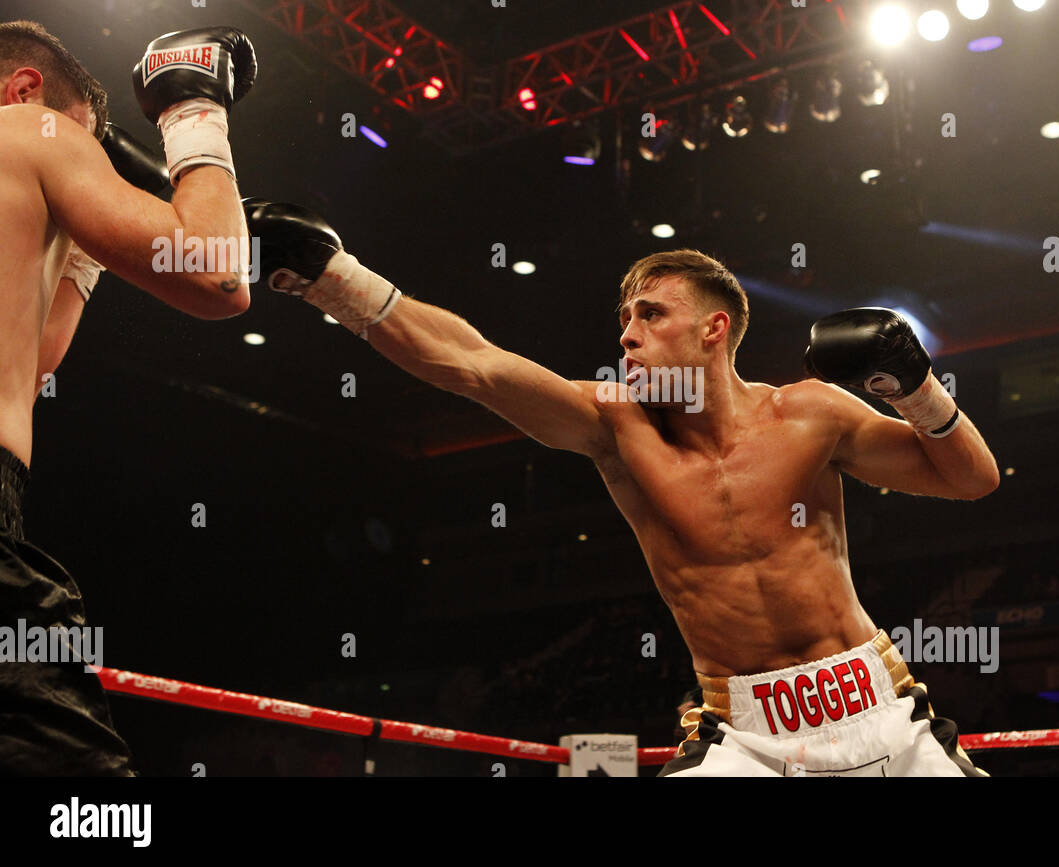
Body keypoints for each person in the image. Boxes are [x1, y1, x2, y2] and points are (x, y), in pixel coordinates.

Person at [242, 203, 999, 777]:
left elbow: (972, 479)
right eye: (624, 318)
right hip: (747, 736)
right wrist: (333, 278)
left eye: (650, 313)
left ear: (714, 328)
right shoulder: (614, 426)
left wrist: (917, 386)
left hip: (878, 704)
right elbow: (470, 362)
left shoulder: (811, 413)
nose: (627, 334)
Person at [0, 20, 256, 775]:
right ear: (24, 89)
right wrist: (192, 106)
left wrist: (80, 249)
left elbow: (30, 358)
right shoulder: (31, 127)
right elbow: (216, 272)